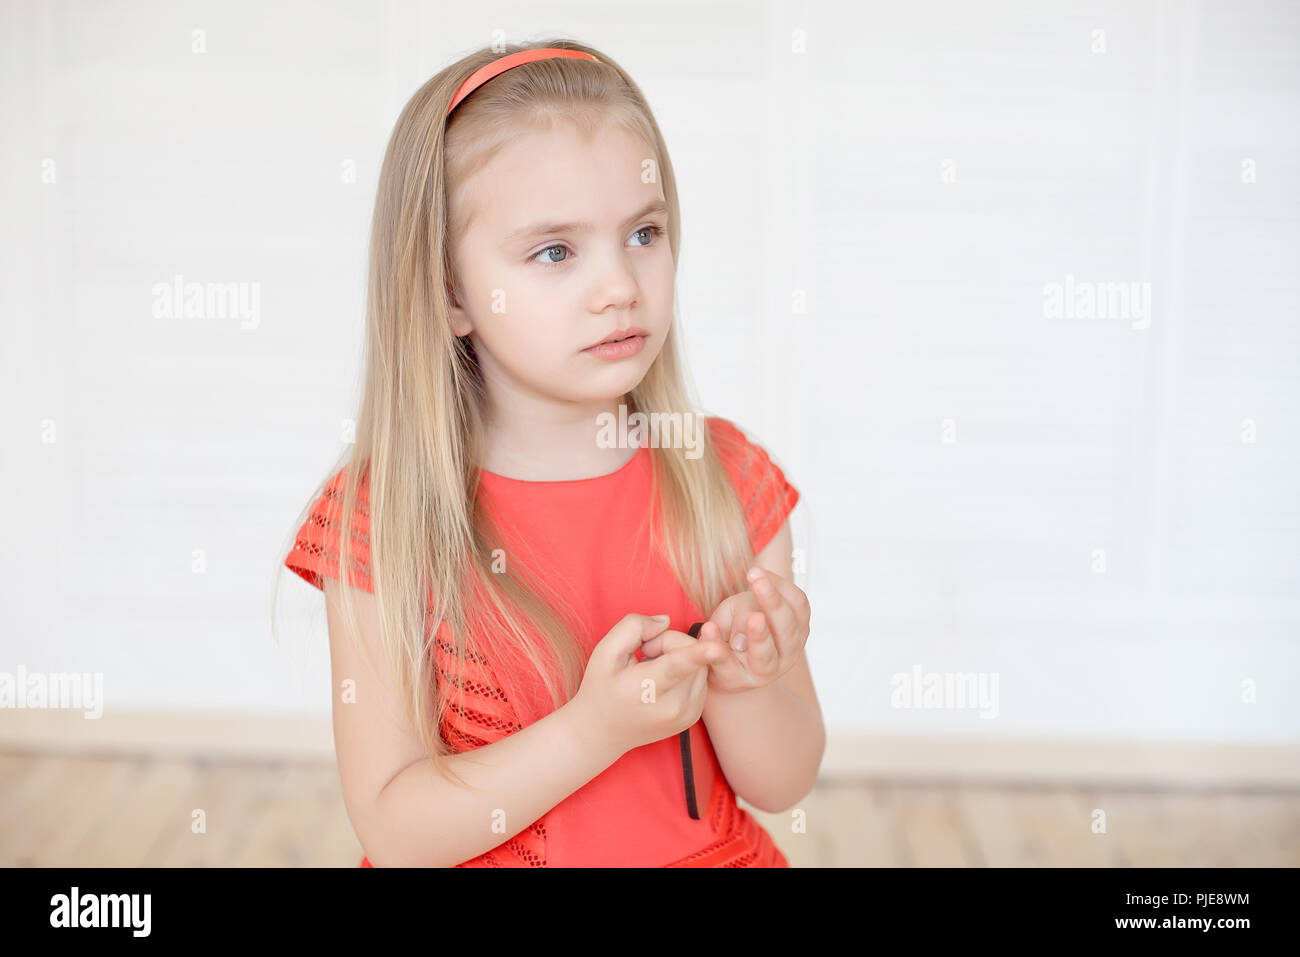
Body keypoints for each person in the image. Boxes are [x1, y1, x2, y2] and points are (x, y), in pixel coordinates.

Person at [278, 39, 823, 867]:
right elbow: (394, 830)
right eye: (555, 252)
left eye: (644, 232)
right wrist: (592, 729)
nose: (618, 286)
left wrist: (748, 678)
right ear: (452, 293)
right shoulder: (382, 519)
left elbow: (784, 780)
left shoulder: (726, 483)